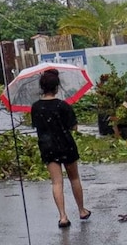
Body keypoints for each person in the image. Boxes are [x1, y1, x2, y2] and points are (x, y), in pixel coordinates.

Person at [31, 68, 90, 228]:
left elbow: (37, 126)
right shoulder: (63, 106)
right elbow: (74, 127)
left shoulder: (36, 107)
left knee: (56, 182)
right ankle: (82, 210)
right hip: (66, 146)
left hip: (48, 147)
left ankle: (63, 216)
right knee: (74, 179)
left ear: (42, 87)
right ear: (57, 87)